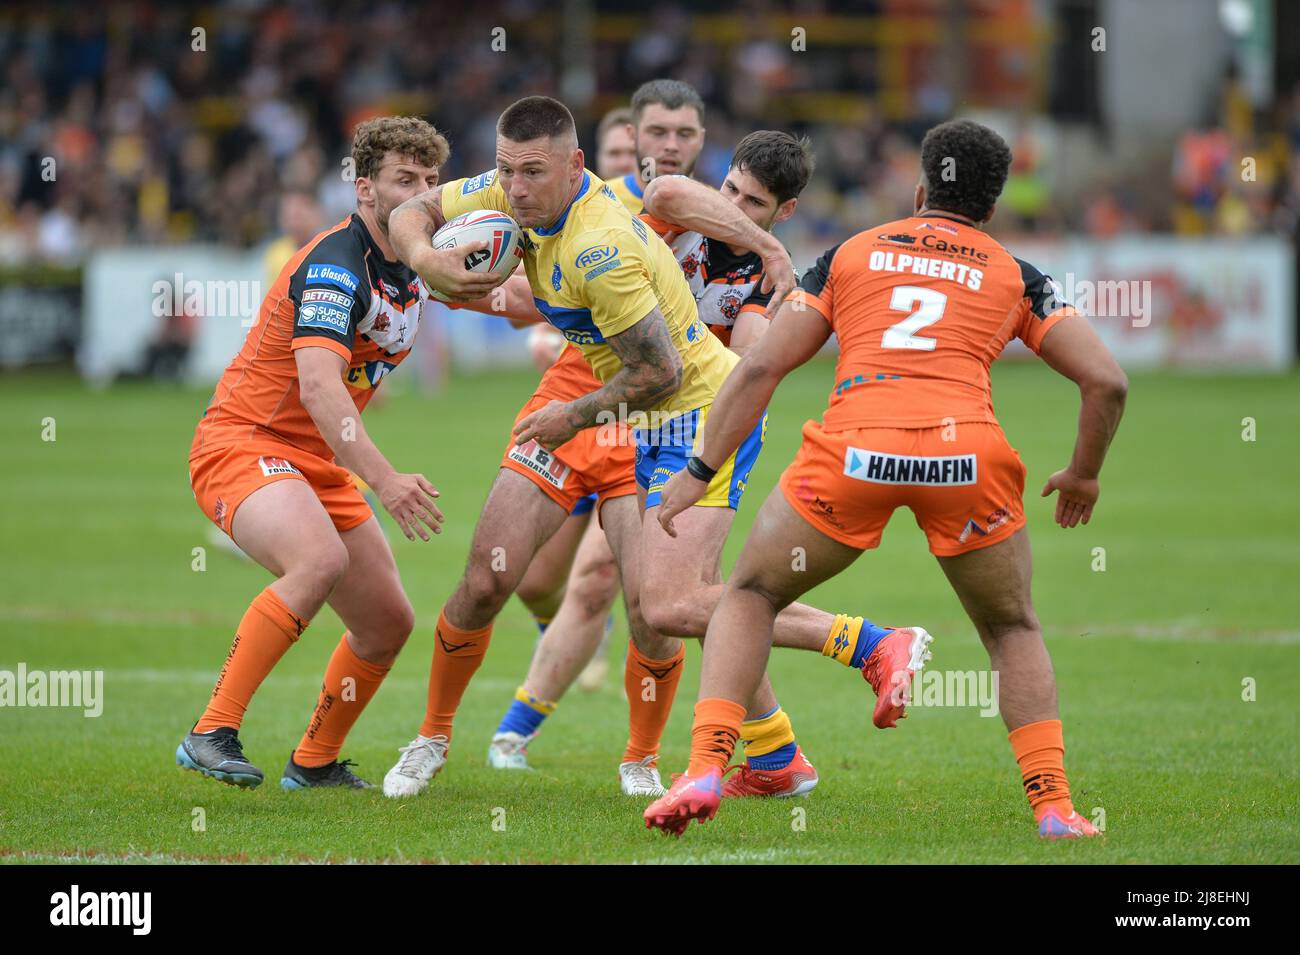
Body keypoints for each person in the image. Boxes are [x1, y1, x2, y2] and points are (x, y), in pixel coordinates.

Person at [382, 96, 921, 801]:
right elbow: (417, 214)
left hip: (684, 416)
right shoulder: (602, 200)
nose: (513, 189)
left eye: (531, 174)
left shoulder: (605, 250)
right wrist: (428, 258)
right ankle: (777, 753)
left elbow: (666, 370)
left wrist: (767, 275)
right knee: (506, 579)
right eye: (507, 171)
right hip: (611, 409)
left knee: (662, 605)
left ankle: (866, 646)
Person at [646, 119, 1127, 840]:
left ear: (918, 188)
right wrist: (1084, 474)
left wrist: (698, 471)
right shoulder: (1016, 273)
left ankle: (706, 767)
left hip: (853, 452)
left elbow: (762, 368)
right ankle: (1055, 807)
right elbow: (1107, 382)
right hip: (965, 461)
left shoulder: (851, 254)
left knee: (749, 593)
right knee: (1010, 626)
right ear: (992, 210)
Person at [176, 116, 501, 791]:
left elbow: (503, 297)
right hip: (245, 441)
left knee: (387, 622)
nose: (421, 193)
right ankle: (211, 730)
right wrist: (385, 480)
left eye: (430, 181)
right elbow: (321, 389)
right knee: (318, 560)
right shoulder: (336, 263)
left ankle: (314, 761)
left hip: (317, 458)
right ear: (365, 190)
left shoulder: (414, 260)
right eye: (403, 180)